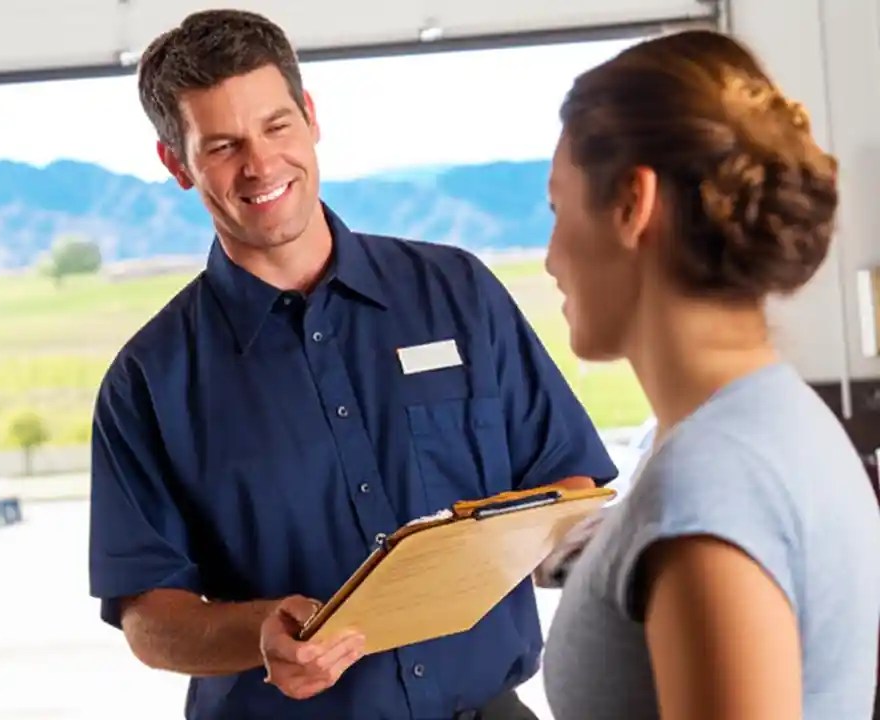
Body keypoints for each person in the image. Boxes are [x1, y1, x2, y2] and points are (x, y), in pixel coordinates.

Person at [87, 9, 618, 720]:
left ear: (310, 117)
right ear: (176, 164)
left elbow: (570, 482)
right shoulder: (149, 379)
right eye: (222, 146)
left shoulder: (456, 293)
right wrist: (259, 631)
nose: (260, 165)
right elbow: (149, 618)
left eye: (276, 126)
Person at [539, 29, 880, 720]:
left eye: (557, 209)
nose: (549, 258)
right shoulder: (777, 420)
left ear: (632, 204)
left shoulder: (709, 483)